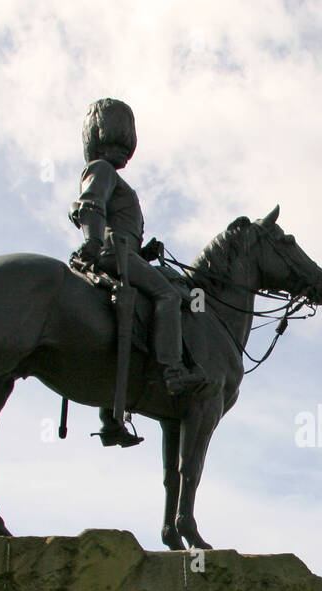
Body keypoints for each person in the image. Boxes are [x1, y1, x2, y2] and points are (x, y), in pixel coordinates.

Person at [69, 98, 208, 447]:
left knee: (172, 287)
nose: (125, 153)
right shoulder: (101, 169)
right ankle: (172, 371)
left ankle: (110, 419)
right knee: (168, 294)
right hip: (113, 253)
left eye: (126, 146)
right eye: (119, 143)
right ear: (102, 140)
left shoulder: (114, 177)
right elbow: (90, 205)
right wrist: (93, 242)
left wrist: (145, 252)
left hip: (125, 252)